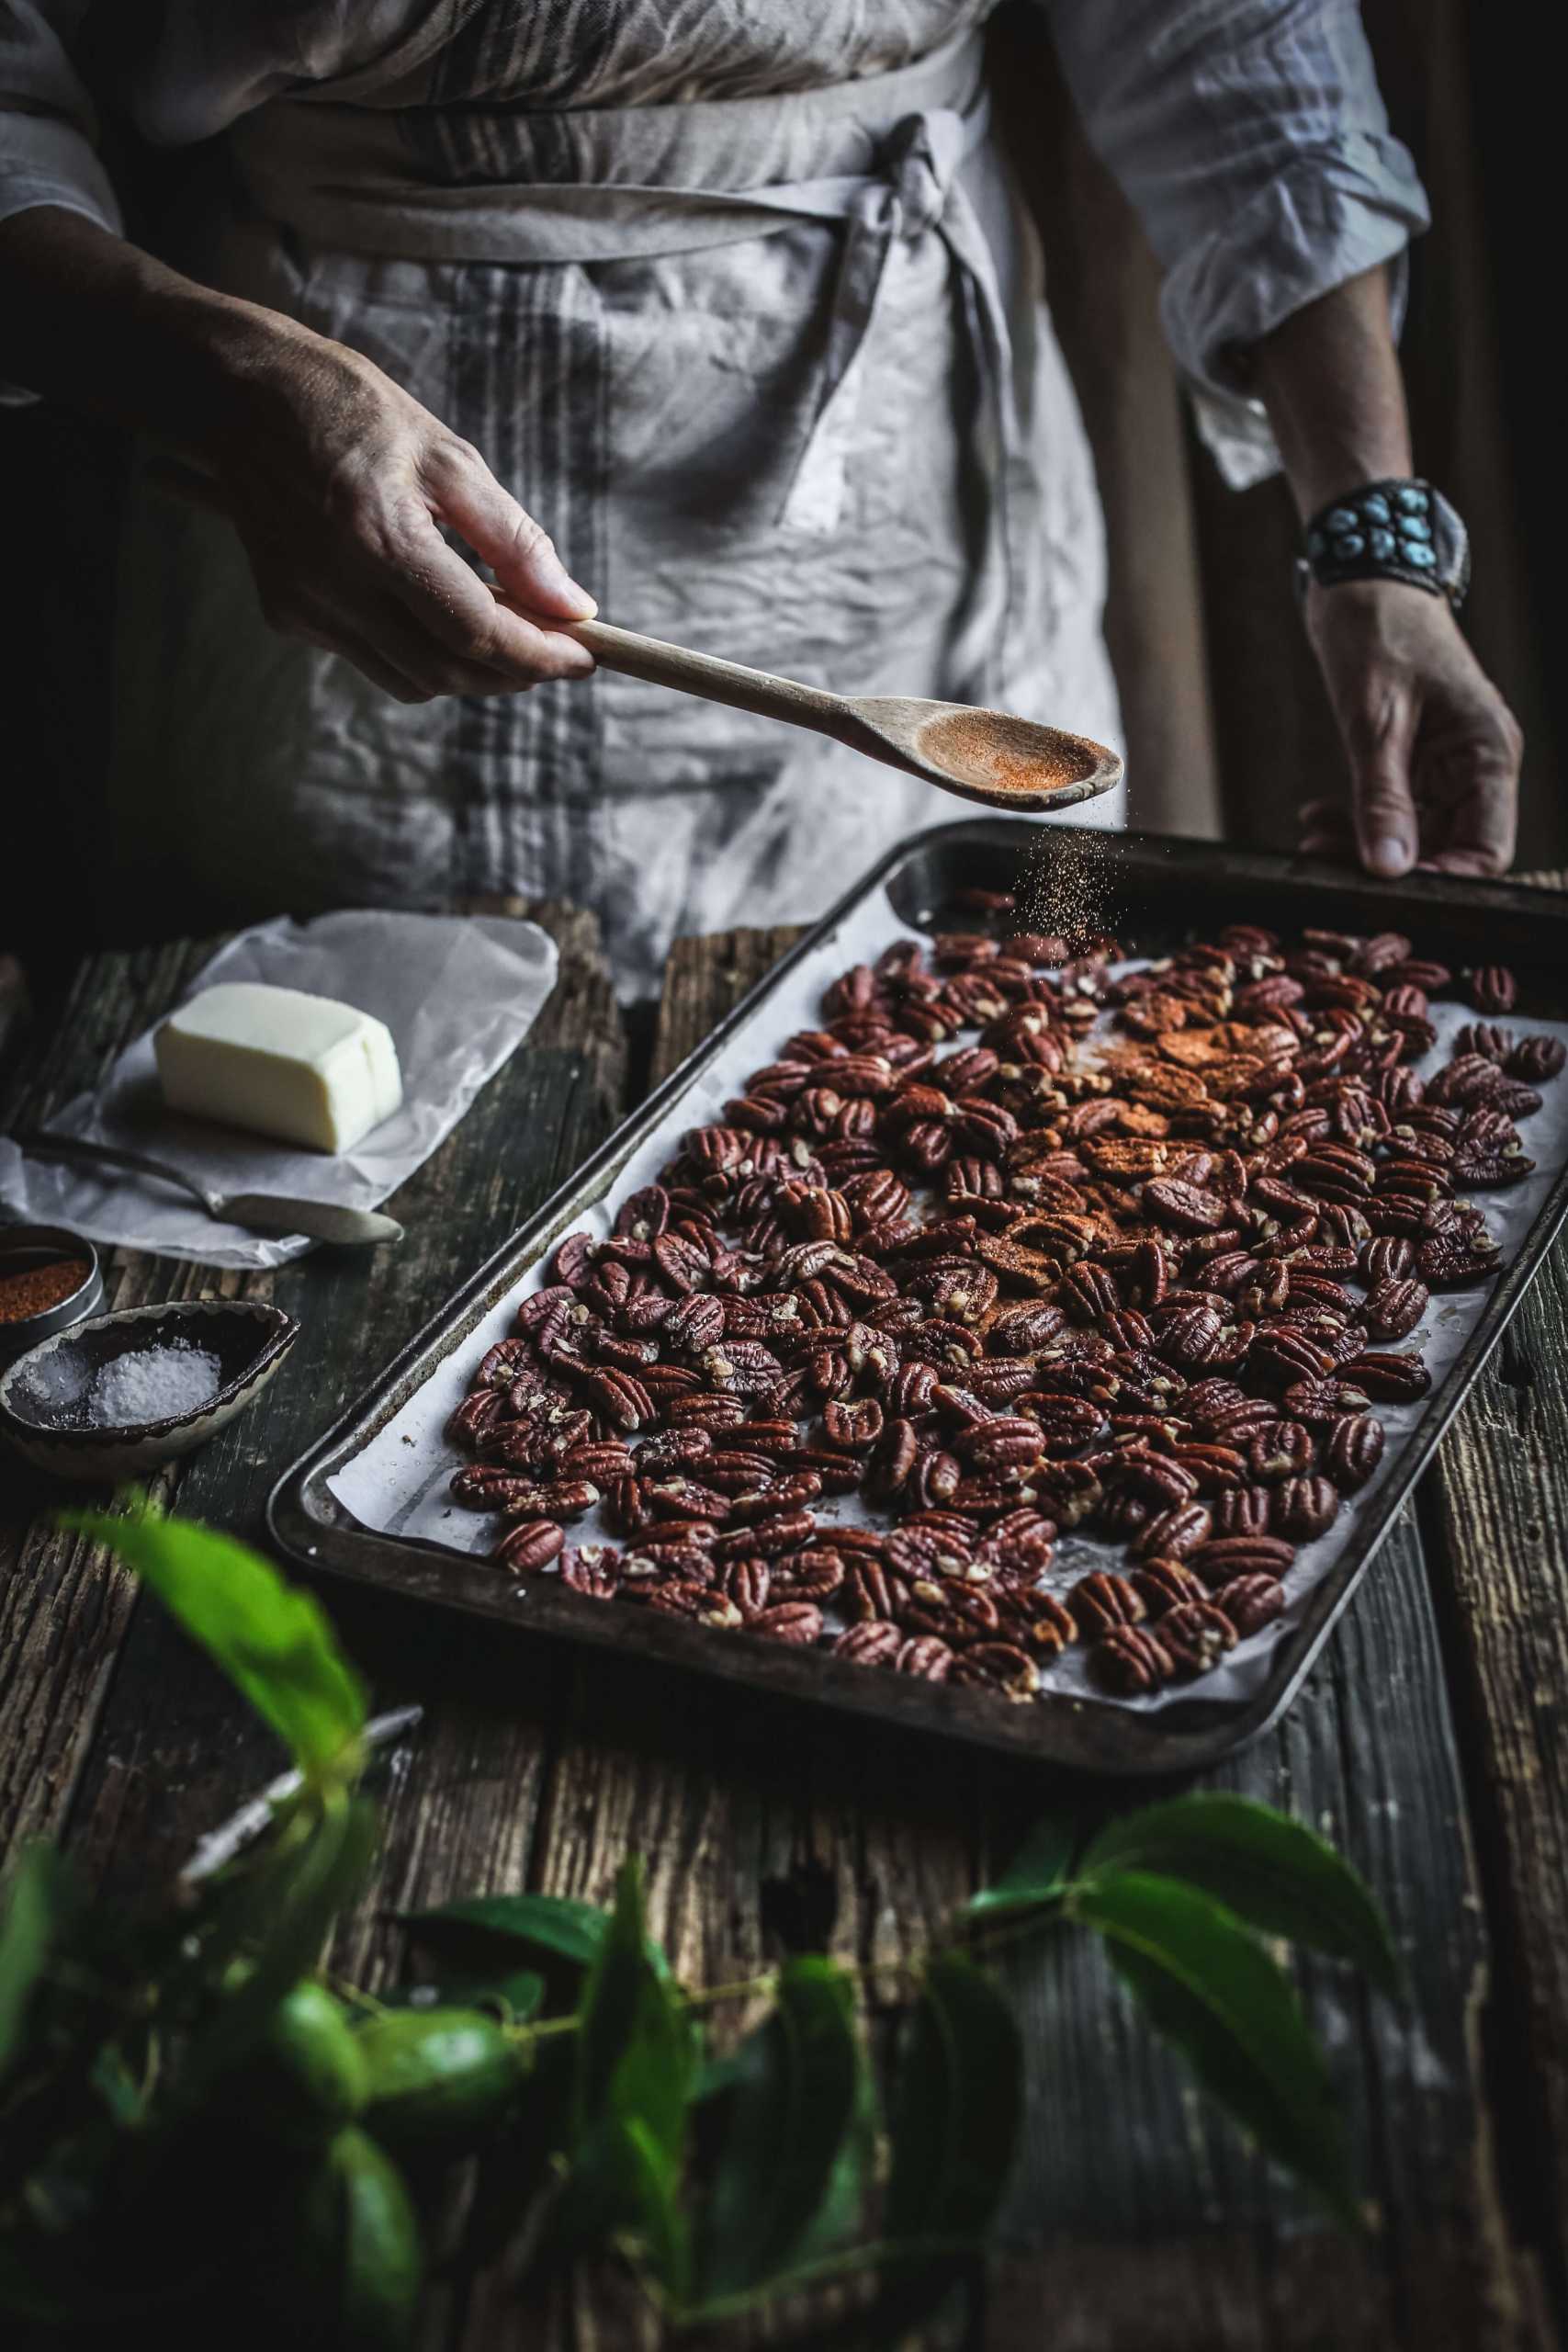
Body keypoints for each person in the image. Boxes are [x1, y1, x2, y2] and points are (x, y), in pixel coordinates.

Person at [0, 3, 1522, 995]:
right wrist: (218, 375)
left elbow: (1238, 40)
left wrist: (1369, 536)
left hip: (907, 532)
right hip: (329, 531)